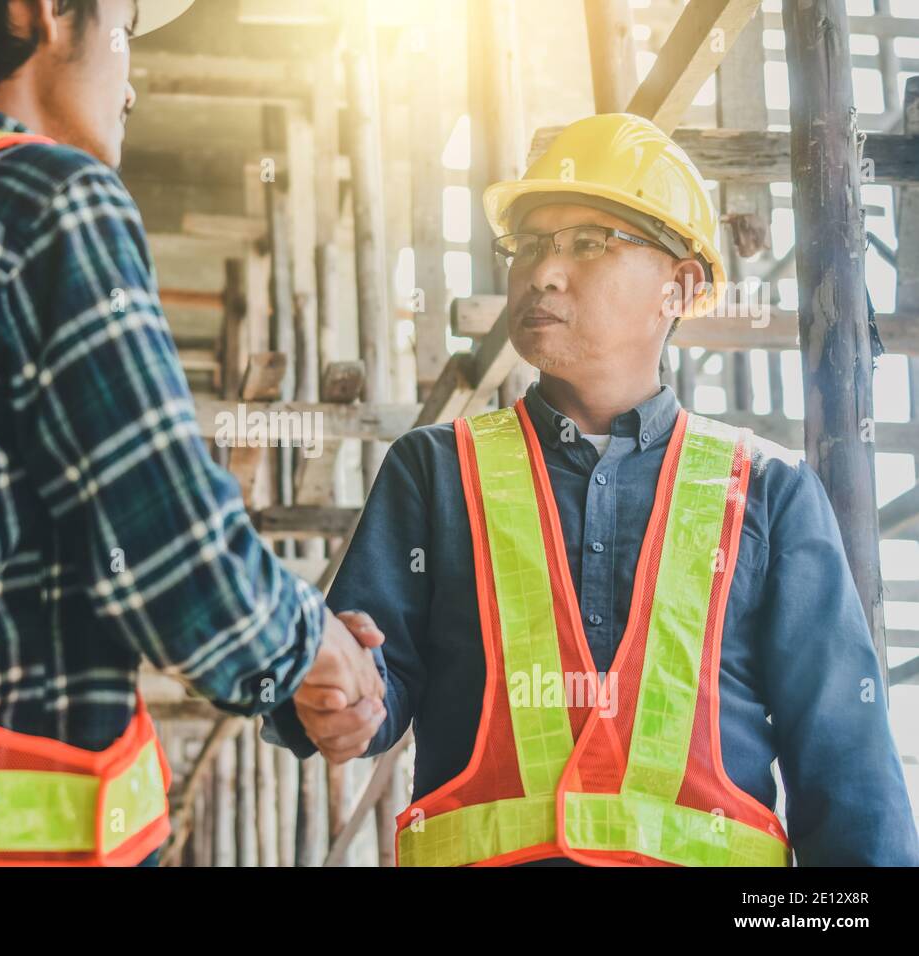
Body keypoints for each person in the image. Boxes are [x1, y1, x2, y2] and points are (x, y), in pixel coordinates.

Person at [0, 0, 381, 866]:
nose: (133, 84)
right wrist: (319, 646)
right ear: (47, 13)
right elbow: (175, 565)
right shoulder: (46, 199)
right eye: (124, 28)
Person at [264, 113, 919, 866]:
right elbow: (365, 676)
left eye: (588, 243)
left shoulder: (769, 494)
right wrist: (336, 700)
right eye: (531, 244)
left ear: (679, 287)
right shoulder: (435, 472)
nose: (543, 270)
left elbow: (847, 772)